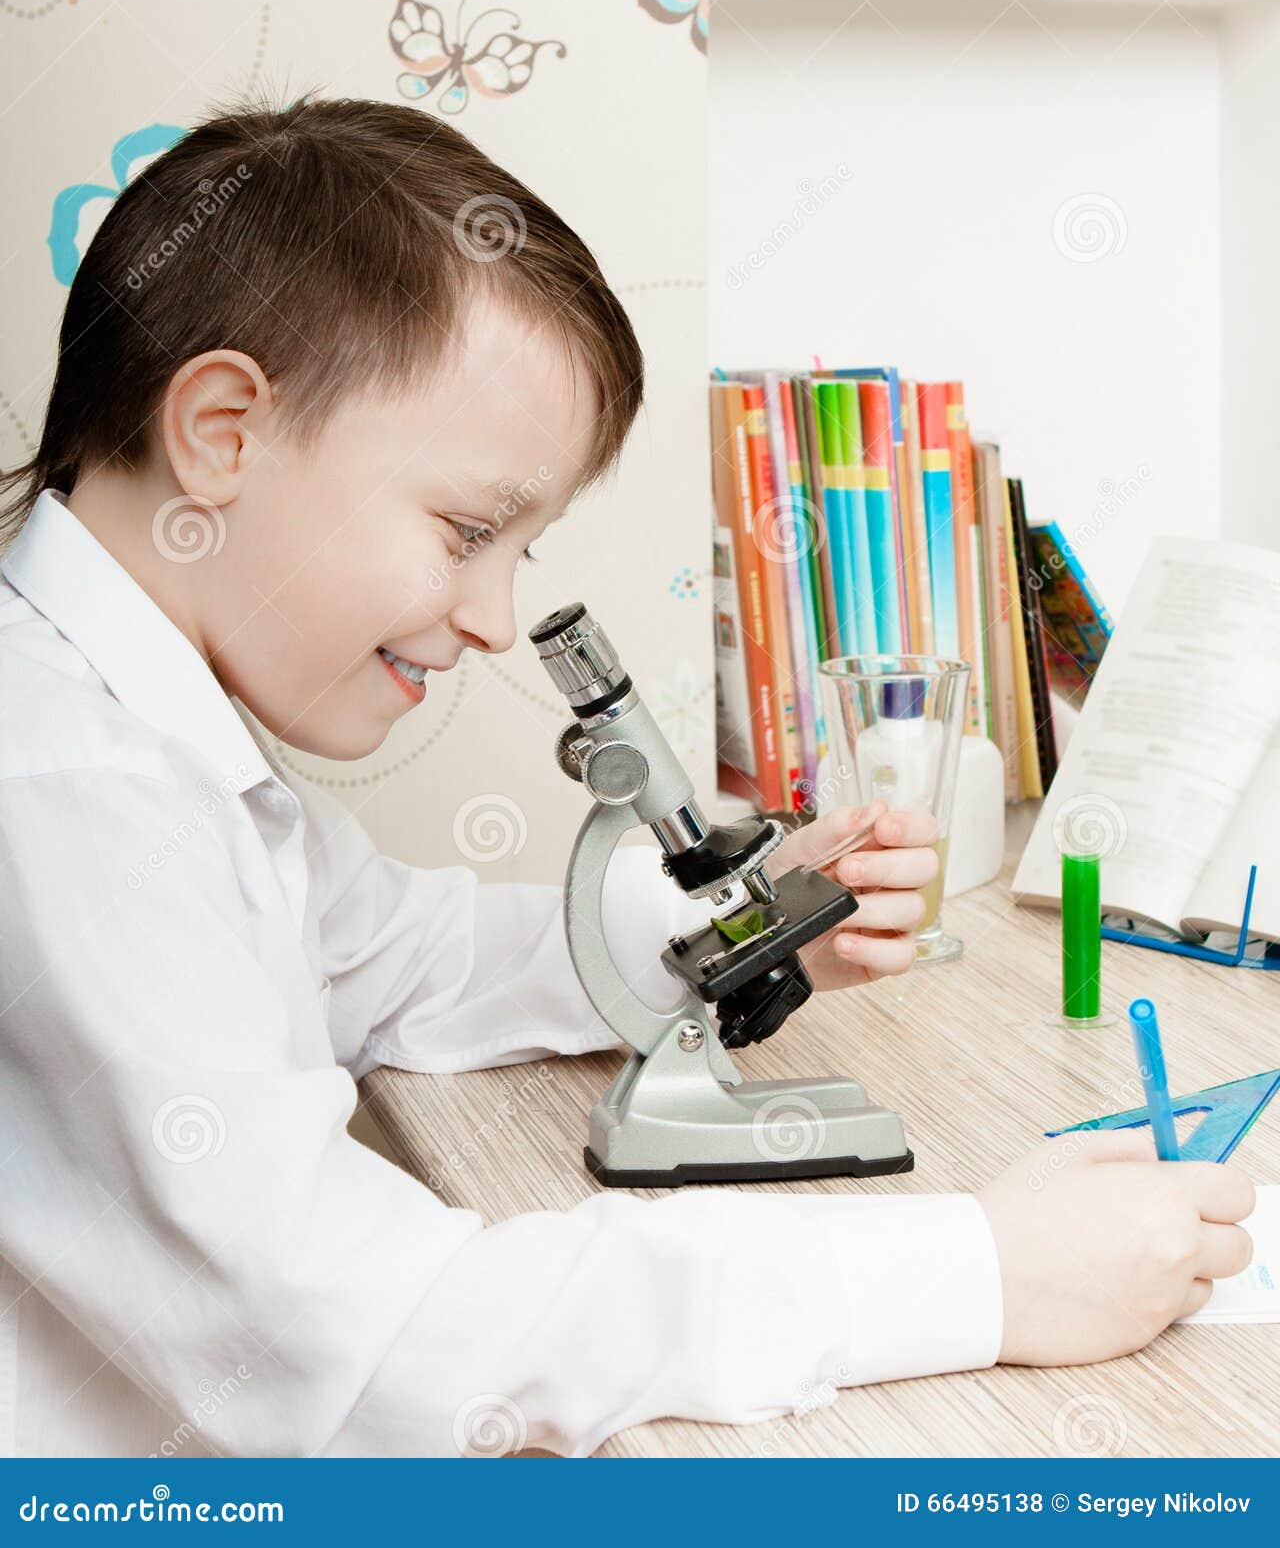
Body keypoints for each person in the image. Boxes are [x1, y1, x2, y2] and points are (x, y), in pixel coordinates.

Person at [0, 98, 1253, 1459]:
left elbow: (395, 955)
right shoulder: (67, 787)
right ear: (223, 430)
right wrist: (980, 1270)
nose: (489, 615)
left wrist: (740, 922)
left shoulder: (135, 731)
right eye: (468, 528)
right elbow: (383, 1346)